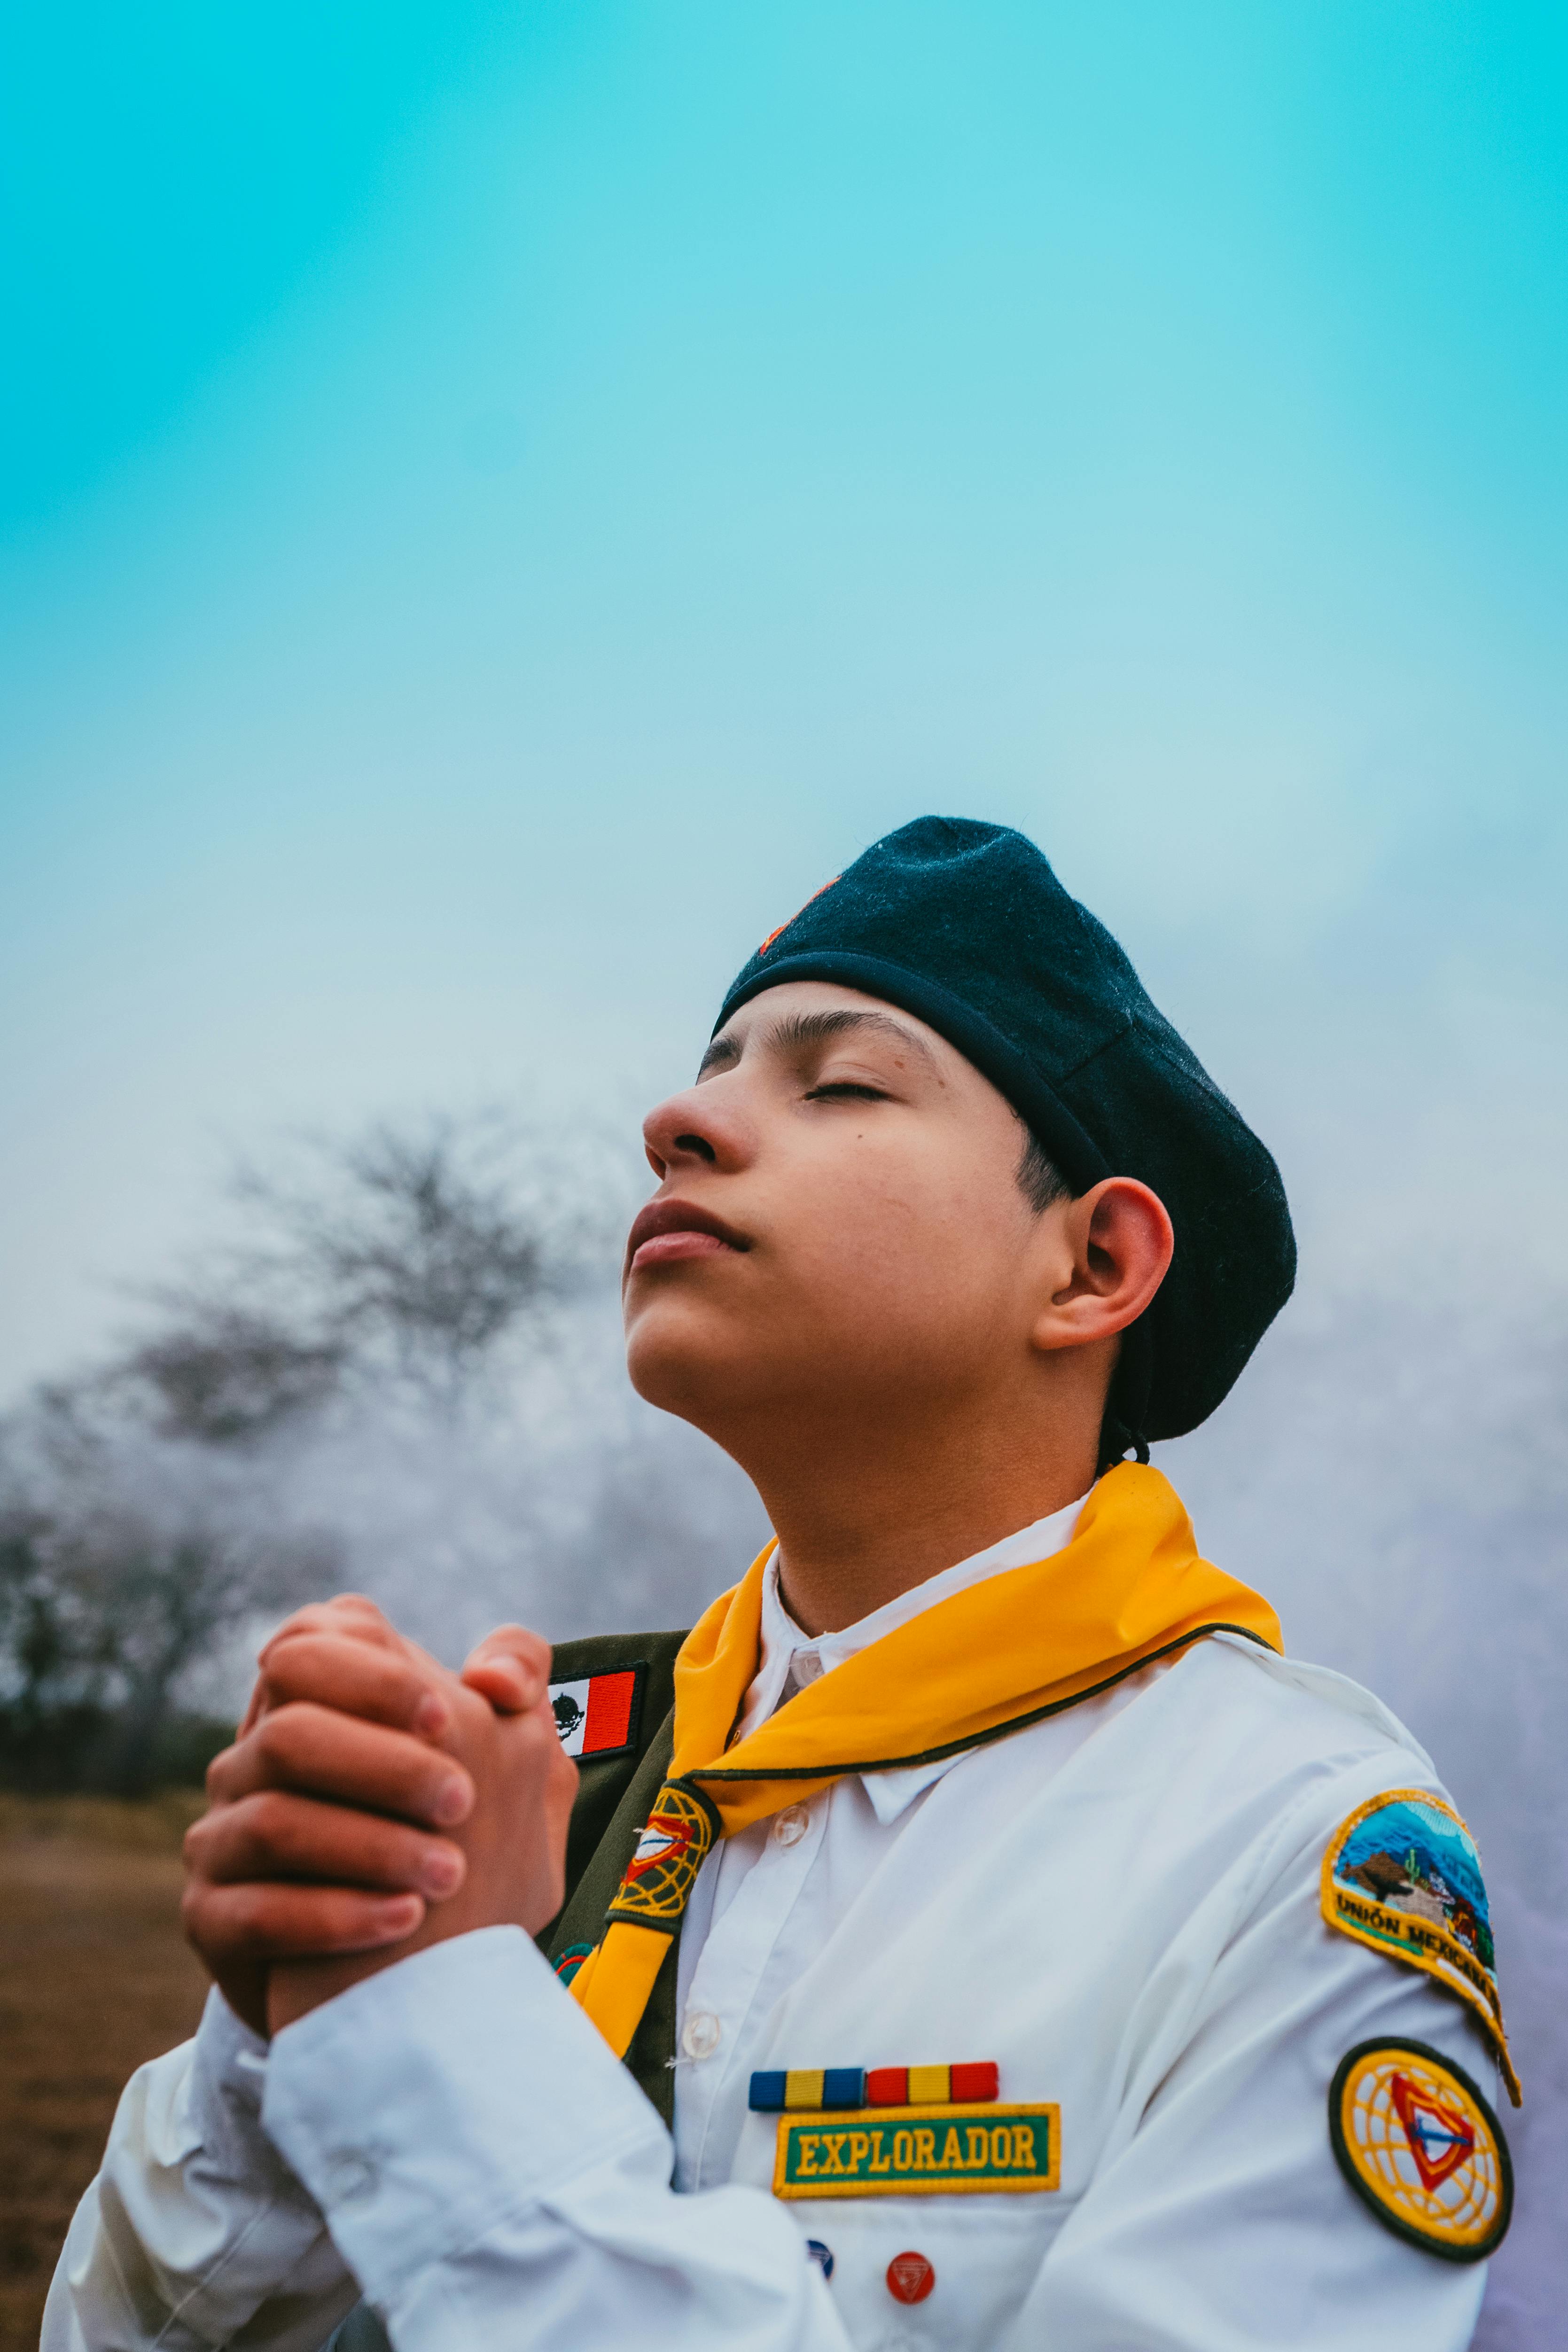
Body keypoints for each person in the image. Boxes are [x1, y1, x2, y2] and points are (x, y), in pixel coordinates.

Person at [45, 818, 1517, 2352]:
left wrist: (445, 2046)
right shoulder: (562, 1767)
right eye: (714, 1067)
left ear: (1090, 1267)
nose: (674, 1119)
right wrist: (300, 2032)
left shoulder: (1285, 1847)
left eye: (841, 1083)